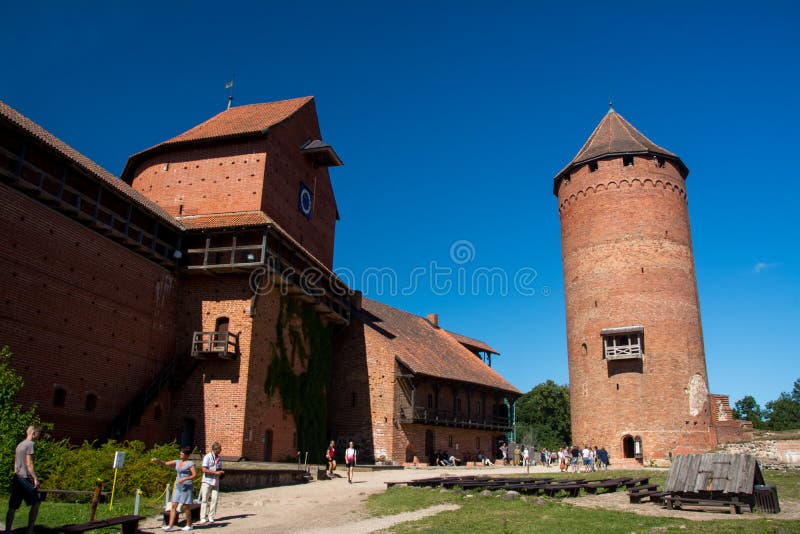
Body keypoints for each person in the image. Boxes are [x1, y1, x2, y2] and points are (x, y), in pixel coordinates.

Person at [5, 426, 41, 534]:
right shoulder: (30, 444)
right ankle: (30, 530)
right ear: (33, 433)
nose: (38, 436)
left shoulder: (20, 444)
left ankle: (7, 530)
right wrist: (35, 478)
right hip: (25, 479)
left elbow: (15, 464)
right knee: (36, 502)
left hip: (17, 478)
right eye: (38, 434)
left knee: (13, 506)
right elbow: (29, 463)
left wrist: (17, 474)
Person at [152, 447, 197, 531]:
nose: (180, 455)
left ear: (186, 455)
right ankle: (170, 525)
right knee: (173, 505)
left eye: (182, 454)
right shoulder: (177, 462)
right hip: (178, 486)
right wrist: (158, 460)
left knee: (185, 506)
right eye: (180, 453)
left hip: (187, 486)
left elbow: (194, 475)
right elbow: (165, 463)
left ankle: (189, 524)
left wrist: (185, 479)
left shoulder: (190, 463)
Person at [197, 442, 224, 525]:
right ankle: (202, 517)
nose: (221, 450)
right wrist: (215, 473)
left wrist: (221, 472)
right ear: (215, 449)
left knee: (214, 499)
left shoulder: (219, 458)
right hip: (207, 481)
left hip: (216, 481)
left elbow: (219, 468)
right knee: (204, 499)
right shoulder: (207, 457)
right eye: (219, 449)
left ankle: (211, 516)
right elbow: (204, 469)